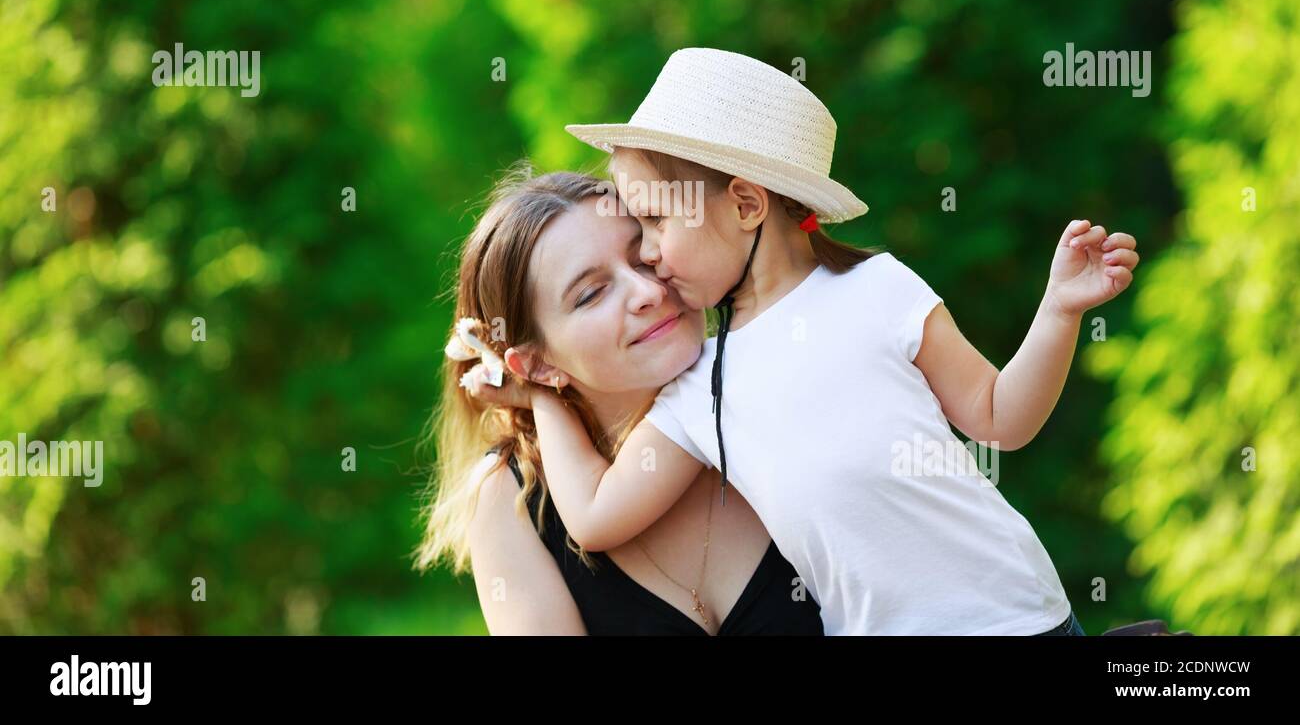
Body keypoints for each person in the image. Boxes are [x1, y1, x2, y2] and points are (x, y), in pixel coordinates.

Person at [504, 47, 1139, 634]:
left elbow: (1001, 419)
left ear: (747, 205)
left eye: (656, 219)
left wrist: (1057, 311)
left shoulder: (877, 289)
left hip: (1016, 620)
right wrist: (540, 391)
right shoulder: (700, 387)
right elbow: (591, 515)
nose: (646, 251)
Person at [414, 164, 823, 635]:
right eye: (591, 294)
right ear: (539, 366)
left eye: (646, 258)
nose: (648, 291)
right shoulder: (512, 499)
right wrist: (541, 402)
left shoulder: (772, 384)